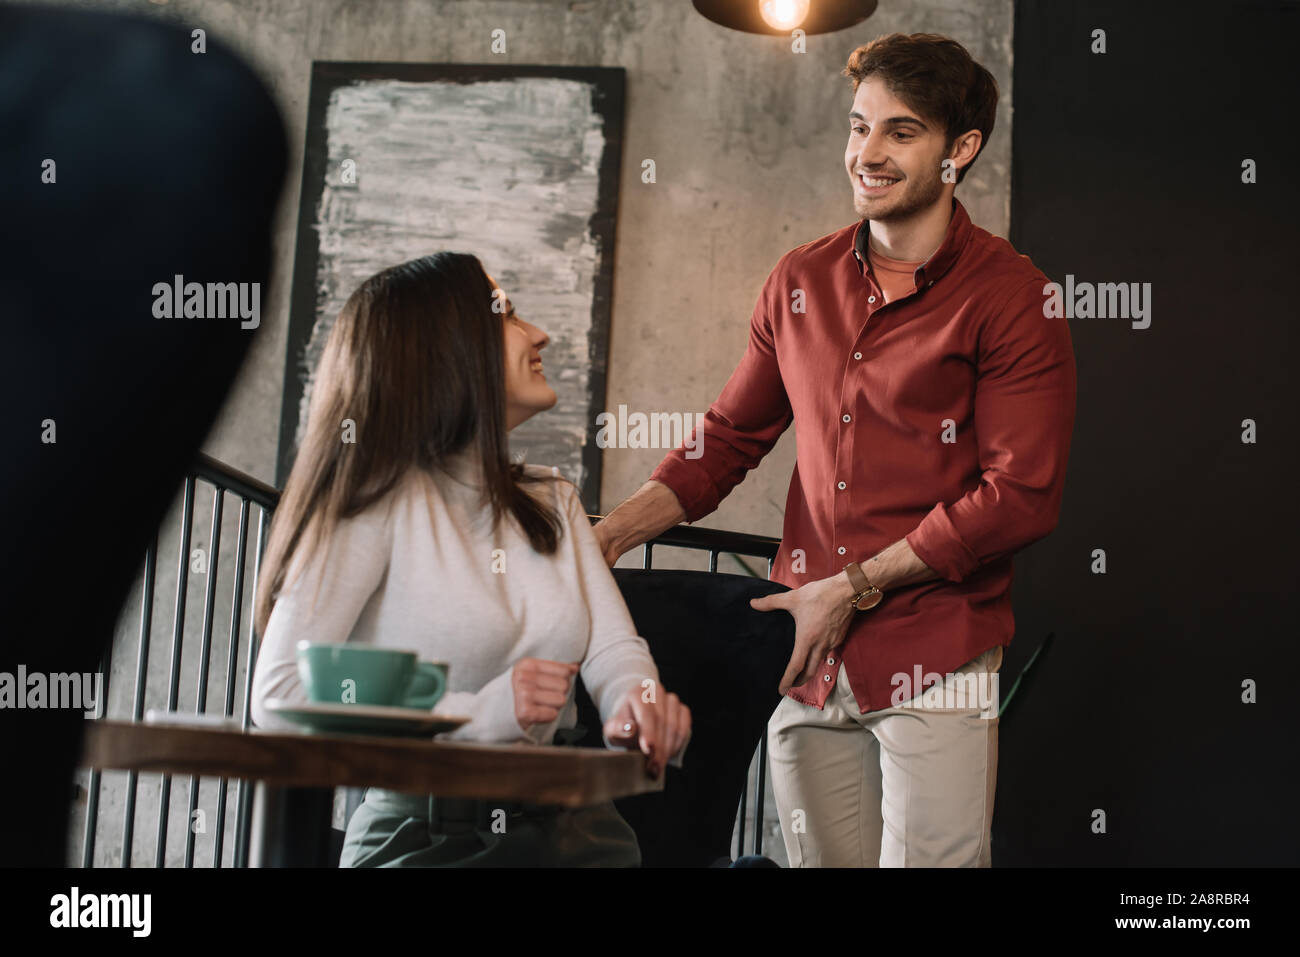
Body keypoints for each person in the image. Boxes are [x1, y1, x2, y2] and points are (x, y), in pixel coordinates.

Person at [593, 33, 1076, 867]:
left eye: (901, 131)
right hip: (803, 656)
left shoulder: (1014, 299)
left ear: (960, 150)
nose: (867, 153)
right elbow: (727, 440)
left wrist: (850, 589)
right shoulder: (797, 282)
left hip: (938, 654)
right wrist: (605, 536)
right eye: (858, 127)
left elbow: (1019, 494)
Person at [249, 252, 691, 867]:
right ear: (440, 351)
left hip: (578, 829)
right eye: (505, 314)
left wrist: (635, 703)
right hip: (424, 838)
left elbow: (613, 650)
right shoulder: (370, 502)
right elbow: (278, 697)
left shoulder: (553, 499)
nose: (538, 333)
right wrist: (476, 715)